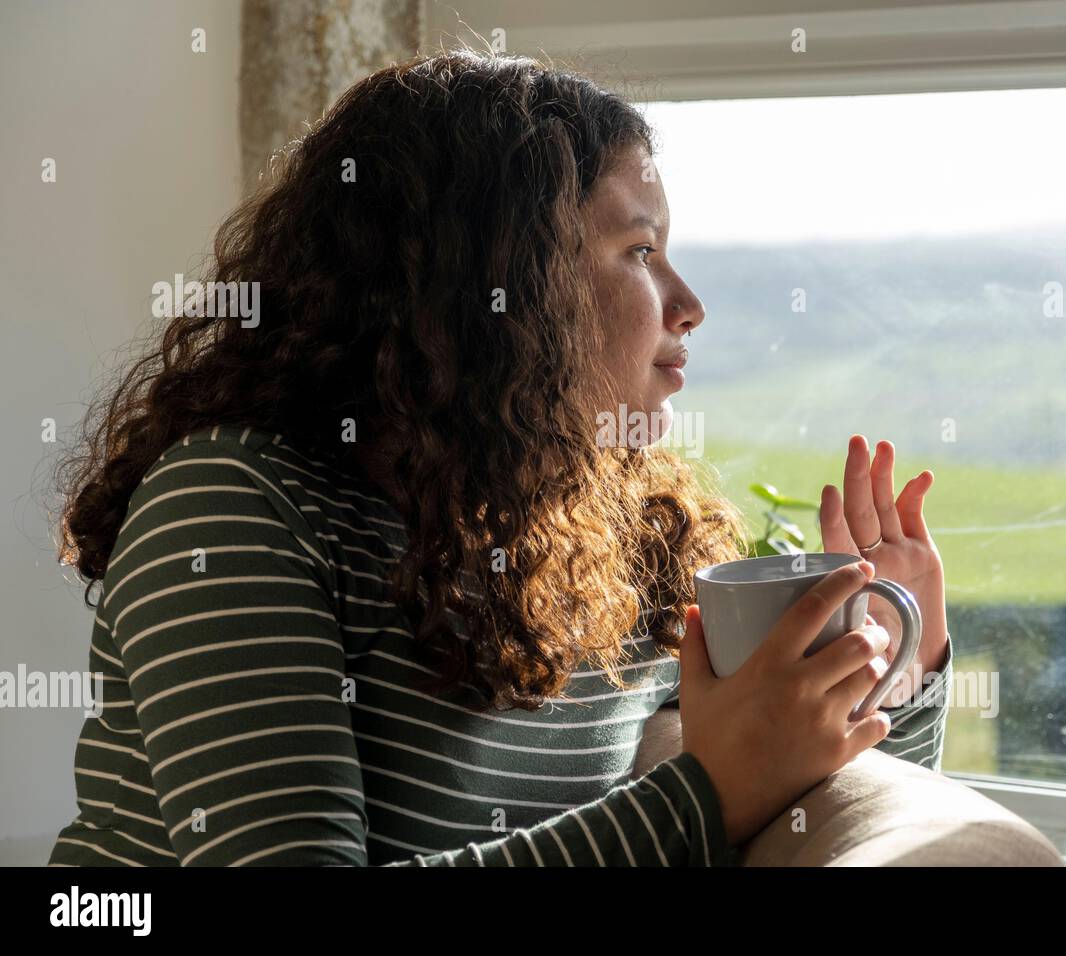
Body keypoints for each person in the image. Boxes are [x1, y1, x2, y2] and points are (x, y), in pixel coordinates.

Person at [47, 50, 952, 867]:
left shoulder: (629, 532)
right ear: (507, 289)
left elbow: (818, 821)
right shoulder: (233, 505)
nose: (689, 305)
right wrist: (708, 796)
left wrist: (896, 669)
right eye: (640, 251)